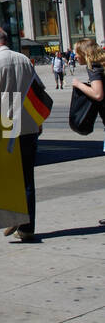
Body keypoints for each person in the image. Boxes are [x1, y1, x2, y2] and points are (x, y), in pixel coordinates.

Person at [0, 26, 38, 242]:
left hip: (4, 128)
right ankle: (27, 227)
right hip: (28, 128)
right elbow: (37, 91)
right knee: (27, 178)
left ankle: (13, 217)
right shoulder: (24, 60)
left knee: (5, 176)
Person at [70, 39, 105, 224]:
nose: (75, 56)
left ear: (85, 53)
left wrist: (78, 84)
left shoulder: (95, 68)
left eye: (77, 53)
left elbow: (98, 94)